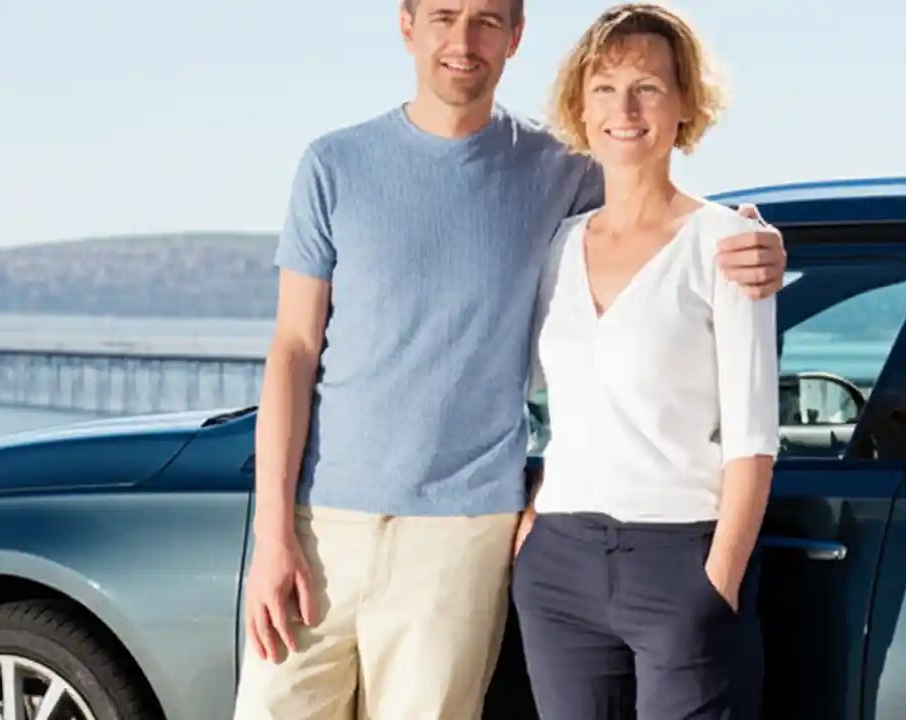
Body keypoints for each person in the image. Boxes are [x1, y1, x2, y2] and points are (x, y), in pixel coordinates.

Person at [233, 1, 786, 718]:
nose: (464, 40)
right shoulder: (334, 165)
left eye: (488, 20)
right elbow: (294, 349)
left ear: (516, 36)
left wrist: (762, 241)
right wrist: (273, 534)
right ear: (406, 25)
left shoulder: (557, 172)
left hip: (462, 538)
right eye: (443, 16)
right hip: (322, 527)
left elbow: (655, 210)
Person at [511, 4, 777, 719]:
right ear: (580, 104)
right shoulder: (558, 248)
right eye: (604, 88)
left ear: (684, 102)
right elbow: (547, 404)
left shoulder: (726, 244)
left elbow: (755, 439)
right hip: (559, 564)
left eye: (648, 88)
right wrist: (532, 527)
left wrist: (718, 579)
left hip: (681, 557)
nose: (623, 109)